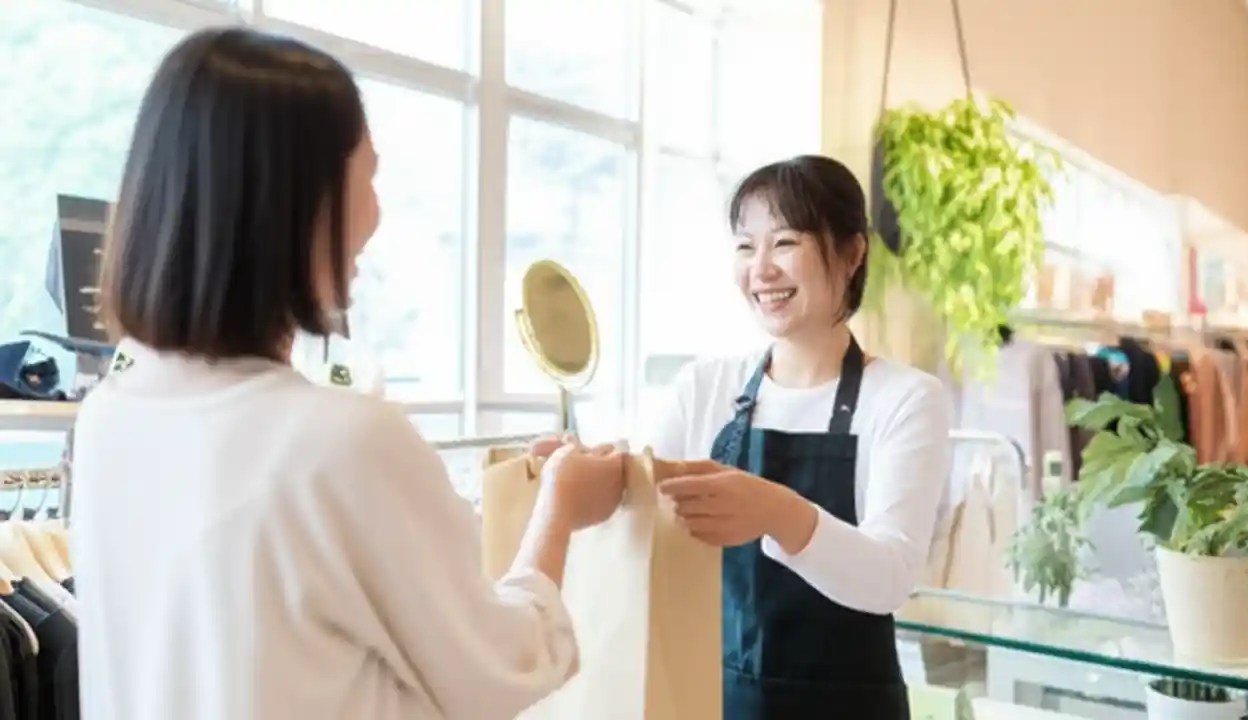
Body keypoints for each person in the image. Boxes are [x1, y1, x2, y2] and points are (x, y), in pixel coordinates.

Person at [71, 28, 624, 720]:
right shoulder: (337, 439)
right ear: (300, 200)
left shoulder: (110, 418)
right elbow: (502, 668)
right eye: (369, 173)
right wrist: (560, 510)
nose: (377, 213)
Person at [647, 155, 952, 719]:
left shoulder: (907, 399)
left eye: (784, 242)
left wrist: (777, 511)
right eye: (745, 246)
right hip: (717, 702)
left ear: (853, 252)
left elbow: (889, 580)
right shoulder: (703, 386)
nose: (760, 269)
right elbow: (645, 520)